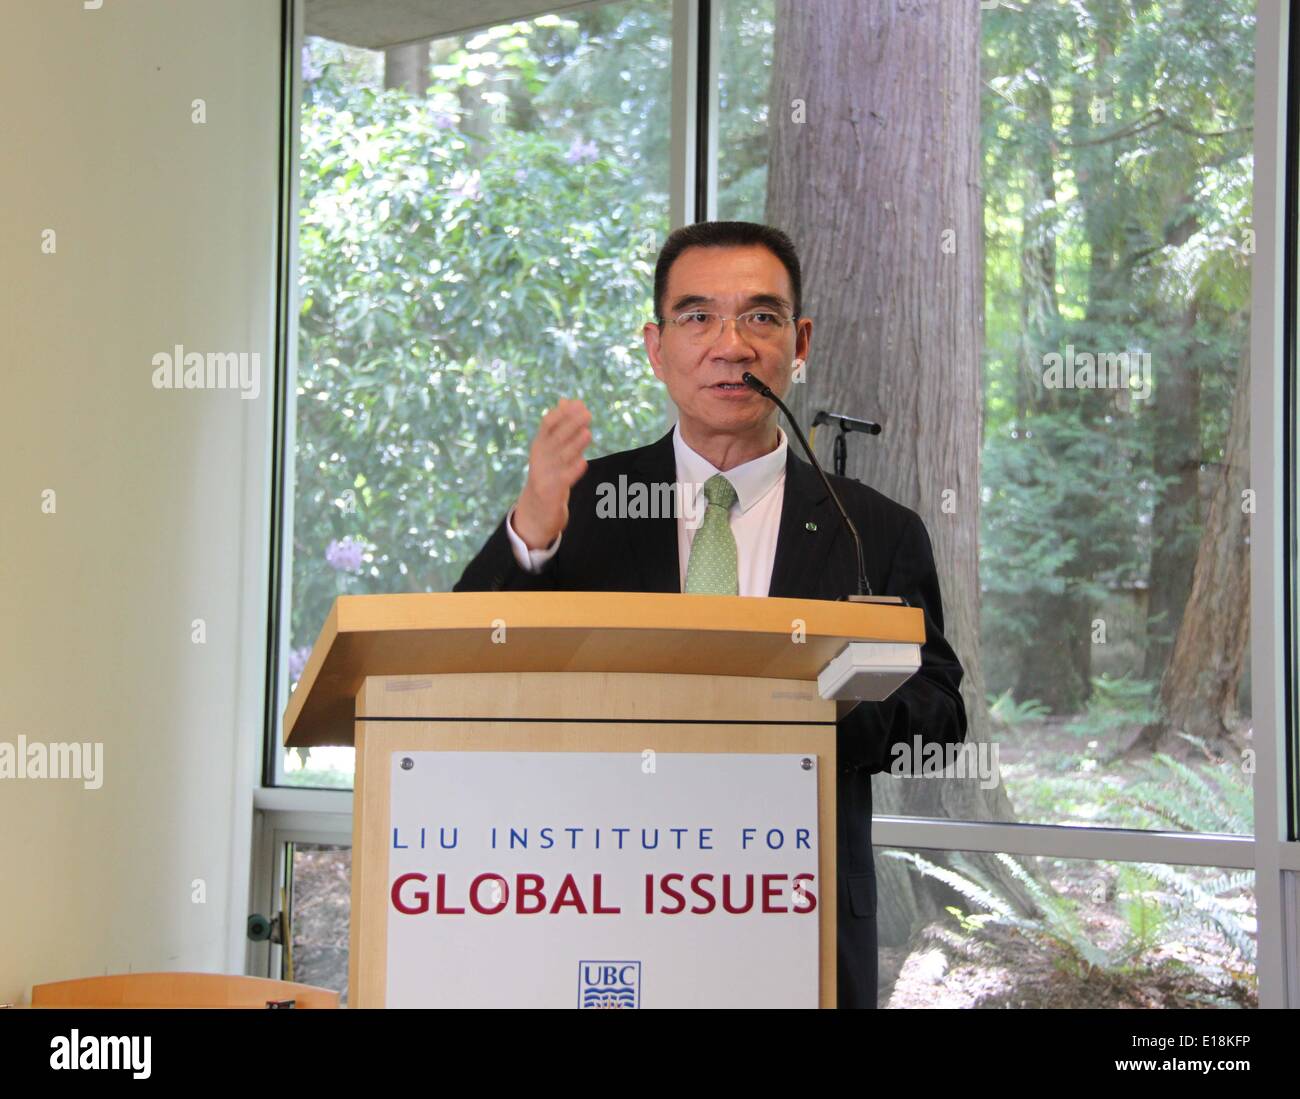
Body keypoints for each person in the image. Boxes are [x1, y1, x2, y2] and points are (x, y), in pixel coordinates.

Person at [454, 220, 968, 1008]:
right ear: (657, 347)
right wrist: (529, 530)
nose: (731, 344)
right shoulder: (585, 502)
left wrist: (815, 708)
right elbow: (468, 661)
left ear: (797, 342)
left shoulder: (873, 529)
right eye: (698, 317)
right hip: (605, 904)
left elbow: (939, 708)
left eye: (760, 317)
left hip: (803, 916)